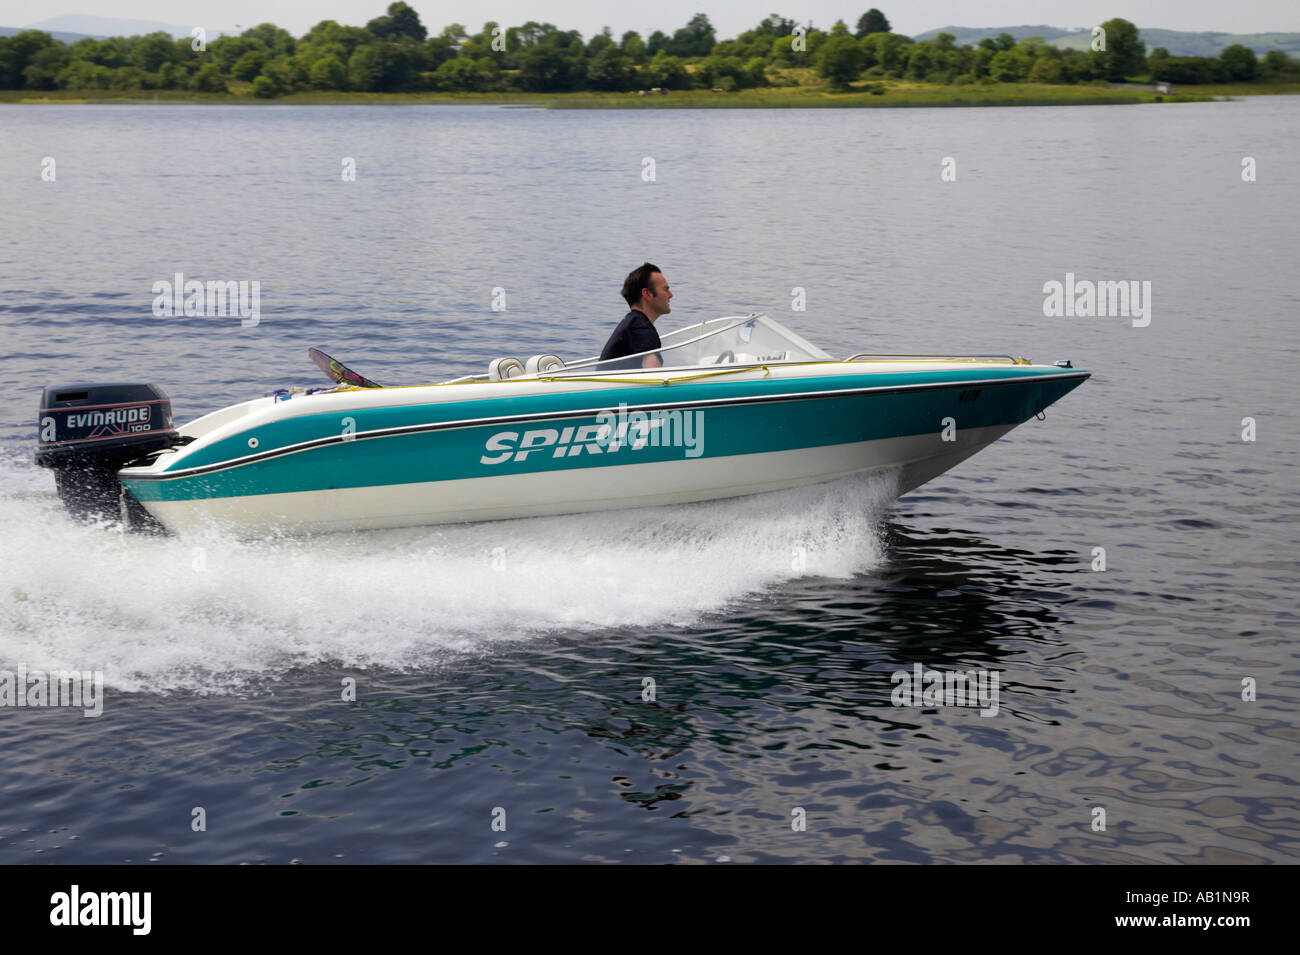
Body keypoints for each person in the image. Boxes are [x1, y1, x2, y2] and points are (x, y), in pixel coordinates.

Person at [600, 262, 672, 370]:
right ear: (647, 294)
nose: (671, 295)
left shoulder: (632, 323)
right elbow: (653, 376)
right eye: (665, 289)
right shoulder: (641, 328)